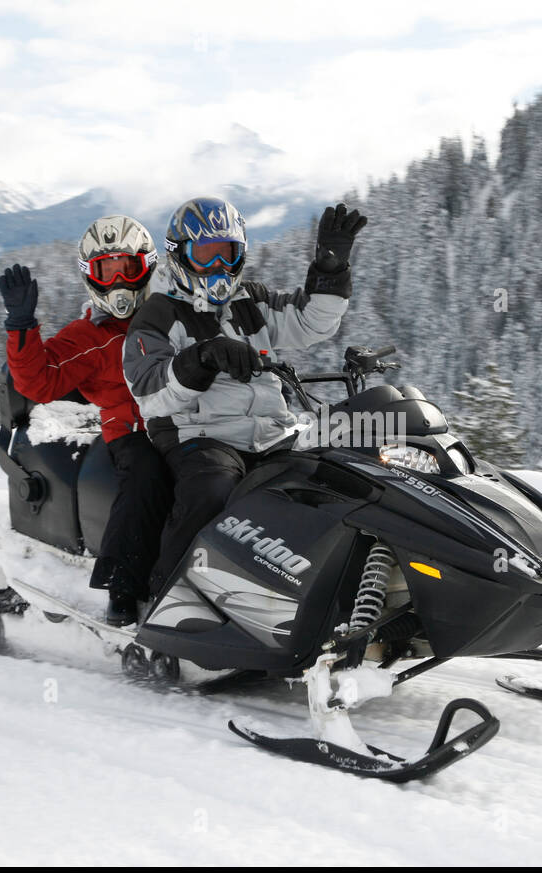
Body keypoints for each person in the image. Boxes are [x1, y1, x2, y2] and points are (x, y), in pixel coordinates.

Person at [124, 197, 367, 595]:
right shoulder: (159, 313)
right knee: (214, 492)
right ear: (179, 256)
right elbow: (150, 391)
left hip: (273, 435)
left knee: (331, 481)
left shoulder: (249, 302)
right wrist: (201, 358)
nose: (218, 267)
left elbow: (311, 323)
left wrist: (330, 267)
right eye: (205, 255)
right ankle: (166, 599)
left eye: (227, 254)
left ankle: (318, 594)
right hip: (199, 436)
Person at [0, 215, 173, 626]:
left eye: (127, 269)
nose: (118, 283)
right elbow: (40, 381)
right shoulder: (91, 336)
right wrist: (22, 326)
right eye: (106, 271)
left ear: (146, 268)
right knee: (146, 477)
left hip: (190, 423)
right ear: (90, 277)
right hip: (133, 433)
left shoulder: (172, 316)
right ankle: (123, 584)